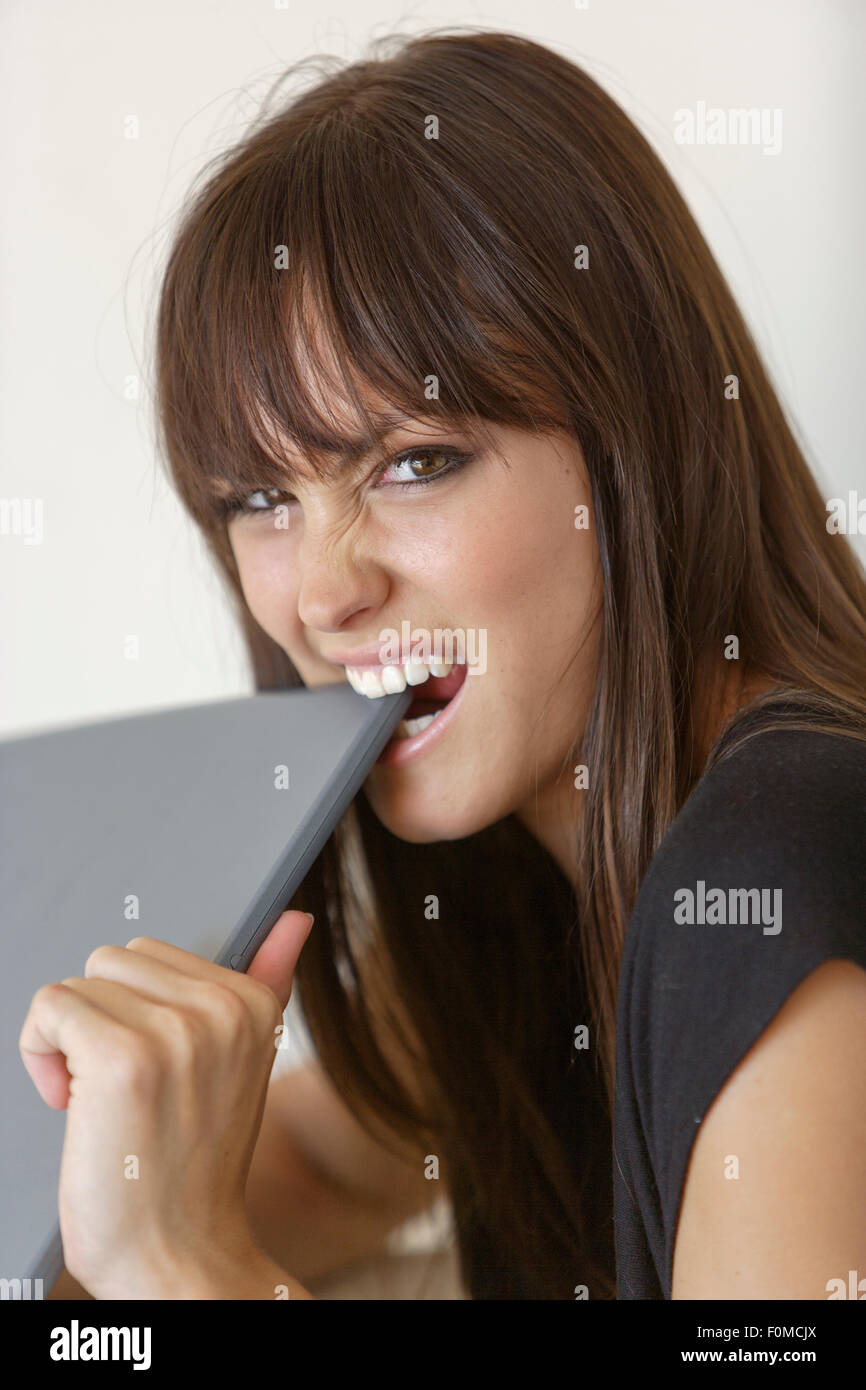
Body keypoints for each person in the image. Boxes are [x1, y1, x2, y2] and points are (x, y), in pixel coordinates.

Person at [38, 29, 866, 1301]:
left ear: (631, 442)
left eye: (414, 463)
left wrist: (178, 1264)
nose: (323, 594)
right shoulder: (537, 877)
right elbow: (327, 1161)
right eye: (260, 498)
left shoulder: (767, 879)